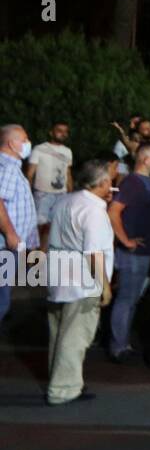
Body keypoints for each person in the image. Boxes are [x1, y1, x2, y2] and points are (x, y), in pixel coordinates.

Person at [46, 159, 115, 405]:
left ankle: (62, 380)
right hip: (81, 280)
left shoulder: (66, 201)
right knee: (75, 337)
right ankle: (63, 388)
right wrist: (104, 287)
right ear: (104, 182)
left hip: (59, 274)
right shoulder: (93, 210)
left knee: (58, 333)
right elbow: (94, 252)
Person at [105, 138, 150, 362]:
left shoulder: (146, 182)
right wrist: (126, 241)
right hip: (134, 253)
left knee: (130, 299)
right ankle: (118, 347)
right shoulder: (133, 182)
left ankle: (121, 343)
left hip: (144, 251)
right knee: (126, 299)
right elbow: (114, 211)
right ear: (146, 159)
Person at [0, 124, 37, 329]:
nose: (27, 143)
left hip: (9, 244)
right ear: (12, 143)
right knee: (1, 300)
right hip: (5, 245)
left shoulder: (11, 166)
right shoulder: (8, 168)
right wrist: (10, 233)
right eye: (24, 140)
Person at [27, 122, 73, 246]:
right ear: (51, 132)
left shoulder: (68, 151)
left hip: (61, 195)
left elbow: (68, 173)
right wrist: (28, 193)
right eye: (59, 130)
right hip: (42, 194)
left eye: (65, 131)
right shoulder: (39, 149)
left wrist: (70, 194)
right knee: (37, 228)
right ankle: (30, 259)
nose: (62, 134)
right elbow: (30, 173)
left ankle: (42, 258)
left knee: (53, 228)